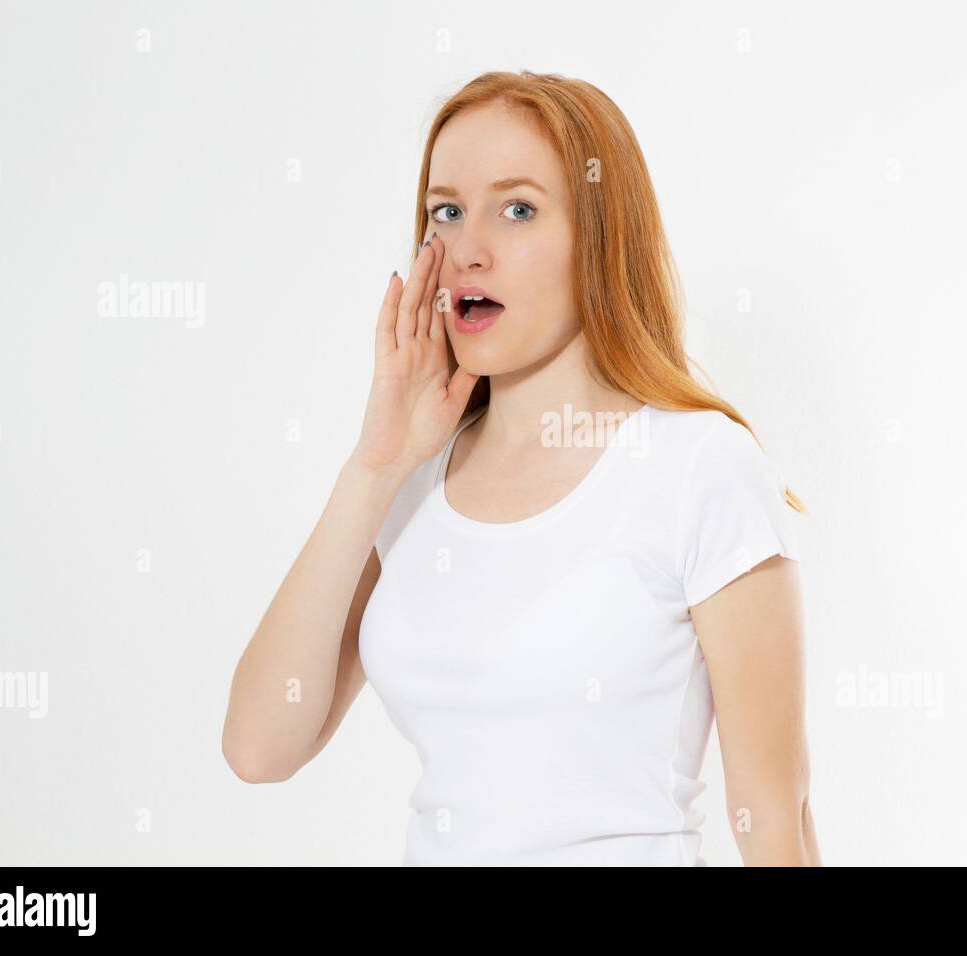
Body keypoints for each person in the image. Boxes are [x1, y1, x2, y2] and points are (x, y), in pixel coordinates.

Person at [223, 70, 822, 866]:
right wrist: (373, 466)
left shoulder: (699, 467)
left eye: (518, 209)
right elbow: (259, 749)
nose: (468, 250)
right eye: (446, 211)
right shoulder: (409, 483)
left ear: (599, 238)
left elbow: (776, 819)